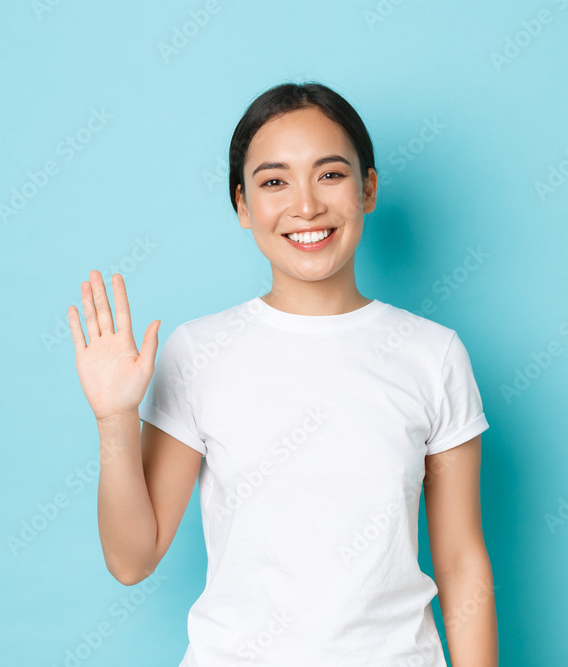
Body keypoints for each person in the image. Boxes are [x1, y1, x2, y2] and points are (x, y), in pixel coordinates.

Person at [69, 82, 498, 666]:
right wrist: (115, 419)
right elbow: (131, 560)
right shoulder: (198, 352)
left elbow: (461, 561)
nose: (306, 206)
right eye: (274, 182)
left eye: (330, 174)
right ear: (243, 206)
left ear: (368, 189)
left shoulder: (433, 354)